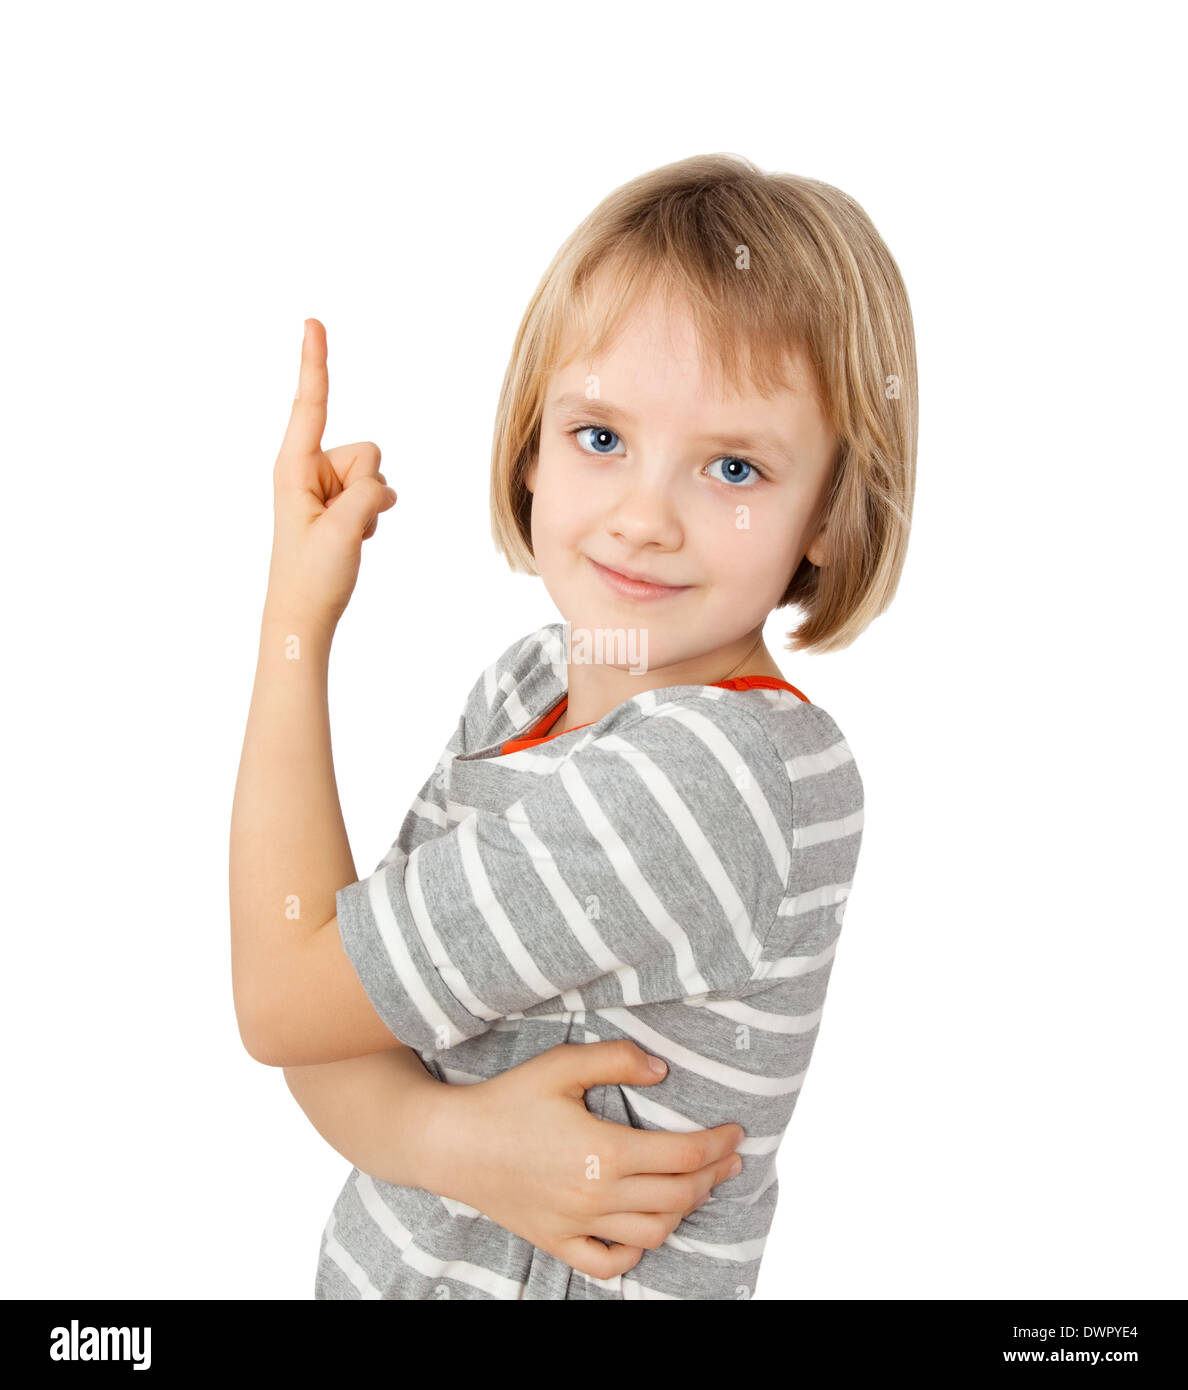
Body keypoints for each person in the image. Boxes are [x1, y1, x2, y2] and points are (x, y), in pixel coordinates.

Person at [229, 152, 917, 1299]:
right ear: (534, 441)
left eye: (734, 465)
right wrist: (452, 1145)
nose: (643, 518)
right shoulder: (535, 683)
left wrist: (292, 623)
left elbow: (284, 994)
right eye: (601, 437)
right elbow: (331, 1022)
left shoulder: (713, 775)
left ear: (832, 516)